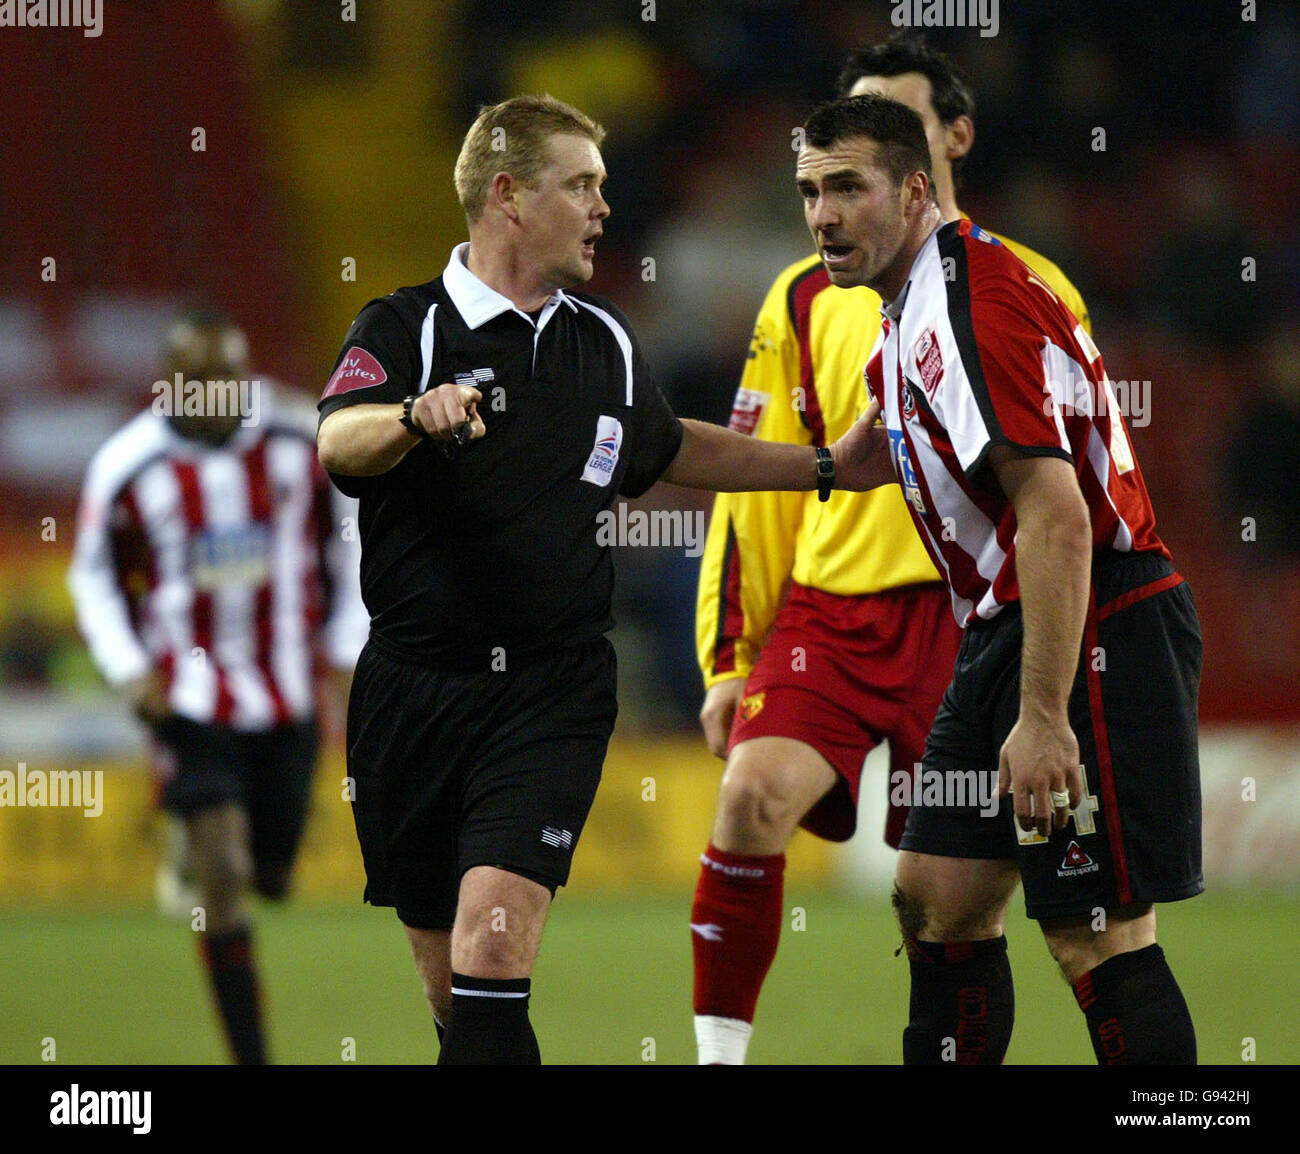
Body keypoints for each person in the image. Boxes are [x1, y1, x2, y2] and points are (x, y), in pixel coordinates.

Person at [315, 94, 888, 1066]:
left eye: (601, 187)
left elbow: (671, 447)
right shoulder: (406, 325)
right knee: (459, 995)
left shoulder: (603, 340)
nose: (600, 208)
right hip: (410, 694)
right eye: (580, 185)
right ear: (507, 195)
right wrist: (416, 415)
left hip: (550, 687)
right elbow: (338, 439)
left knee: (493, 938)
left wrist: (828, 465)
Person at [691, 35, 1091, 1065]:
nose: (832, 188)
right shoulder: (801, 296)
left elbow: (1065, 495)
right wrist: (730, 652)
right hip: (832, 609)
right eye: (822, 164)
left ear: (944, 143)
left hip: (970, 625)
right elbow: (764, 475)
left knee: (950, 903)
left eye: (885, 128)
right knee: (746, 795)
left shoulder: (1022, 284)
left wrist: (1053, 673)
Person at [796, 93, 1202, 1064]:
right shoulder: (900, 327)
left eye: (847, 187)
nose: (822, 215)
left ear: (914, 190)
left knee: (1093, 930)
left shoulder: (973, 298)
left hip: (1091, 615)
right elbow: (839, 464)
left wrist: (1044, 712)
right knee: (935, 896)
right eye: (808, 191)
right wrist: (666, 453)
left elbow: (1056, 515)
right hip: (1003, 624)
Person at [68, 312, 368, 1065]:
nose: (208, 396)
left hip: (287, 691)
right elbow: (93, 575)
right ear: (168, 385)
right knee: (226, 872)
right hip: (187, 696)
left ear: (247, 381)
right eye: (192, 382)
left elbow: (353, 539)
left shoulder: (302, 440)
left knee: (272, 876)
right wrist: (129, 669)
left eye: (222, 381)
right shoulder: (128, 463)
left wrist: (342, 647)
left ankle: (201, 855)